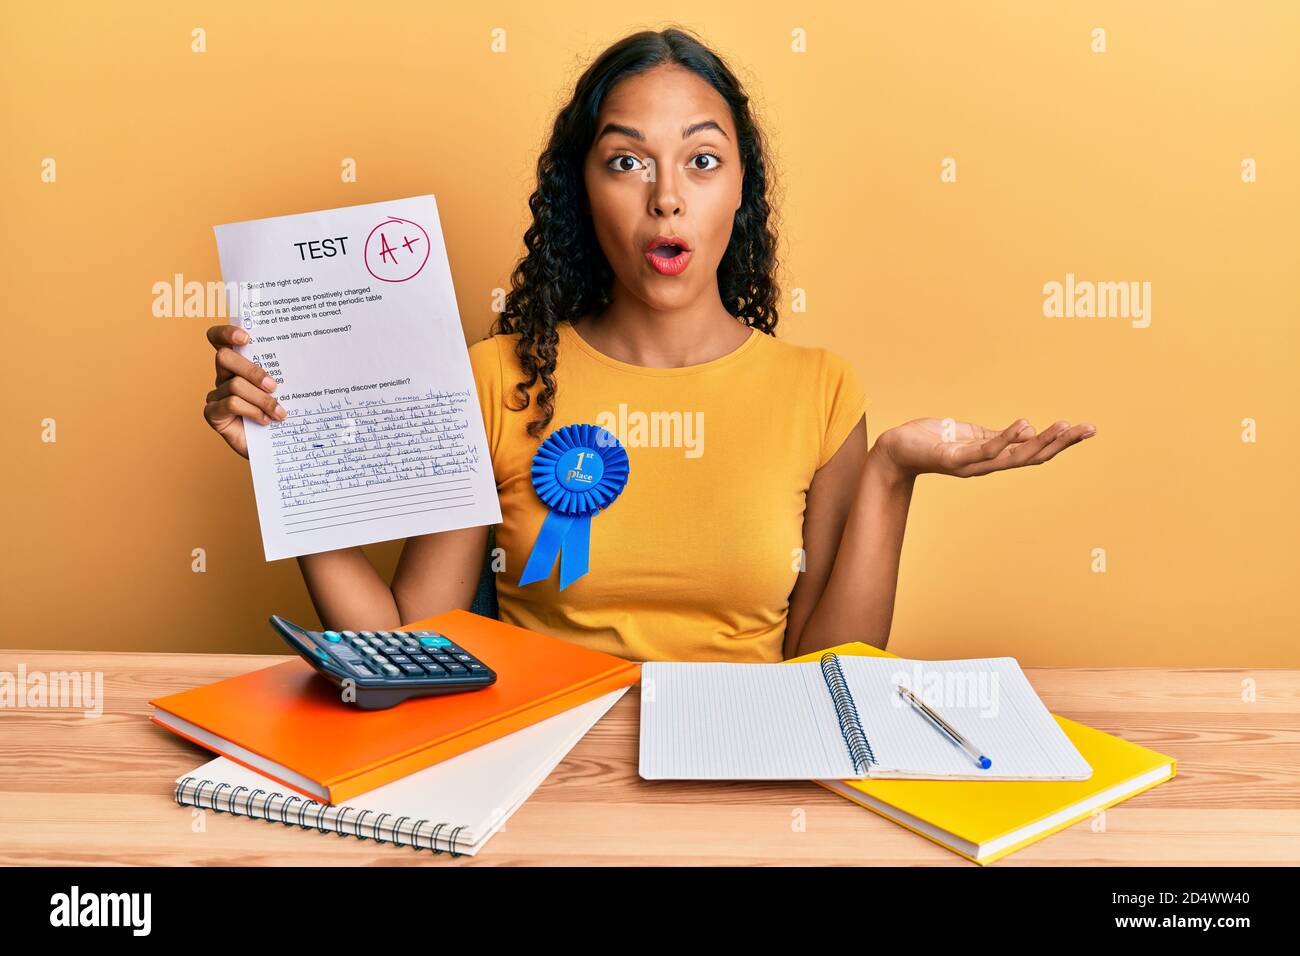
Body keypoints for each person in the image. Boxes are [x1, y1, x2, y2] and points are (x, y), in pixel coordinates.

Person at [202, 27, 1094, 663]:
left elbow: (830, 671)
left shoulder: (822, 392)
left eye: (702, 161)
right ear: (581, 191)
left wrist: (895, 468)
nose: (666, 196)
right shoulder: (494, 376)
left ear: (741, 188)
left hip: (741, 788)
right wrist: (292, 469)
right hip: (535, 780)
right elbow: (403, 646)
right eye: (627, 161)